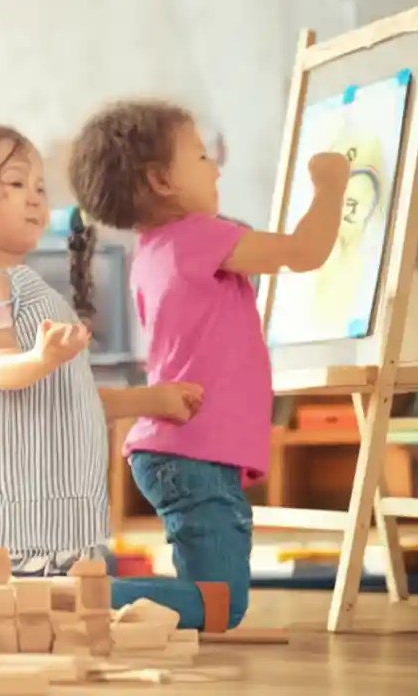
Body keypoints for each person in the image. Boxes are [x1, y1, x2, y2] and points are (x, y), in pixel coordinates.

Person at [0, 123, 246, 630]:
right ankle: (206, 606)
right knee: (42, 612)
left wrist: (152, 401)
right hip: (9, 508)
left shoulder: (27, 286)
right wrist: (41, 357)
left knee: (64, 612)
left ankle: (205, 606)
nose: (35, 199)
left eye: (40, 187)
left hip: (52, 505)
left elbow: (70, 398)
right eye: (16, 184)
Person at [68, 99, 348, 629]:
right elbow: (305, 252)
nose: (215, 167)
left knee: (211, 599)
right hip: (190, 455)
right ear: (161, 181)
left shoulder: (156, 248)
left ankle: (90, 596)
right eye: (199, 156)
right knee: (221, 607)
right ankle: (78, 594)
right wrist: (330, 184)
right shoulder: (198, 237)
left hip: (180, 452)